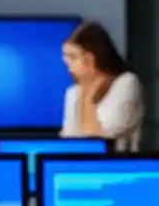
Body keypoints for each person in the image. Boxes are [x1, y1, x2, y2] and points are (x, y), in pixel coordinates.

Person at [60, 21, 144, 151]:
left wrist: (88, 87)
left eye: (73, 57)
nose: (68, 65)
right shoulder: (73, 93)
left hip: (115, 166)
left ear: (91, 58)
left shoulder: (126, 83)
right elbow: (69, 140)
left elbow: (97, 141)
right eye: (66, 58)